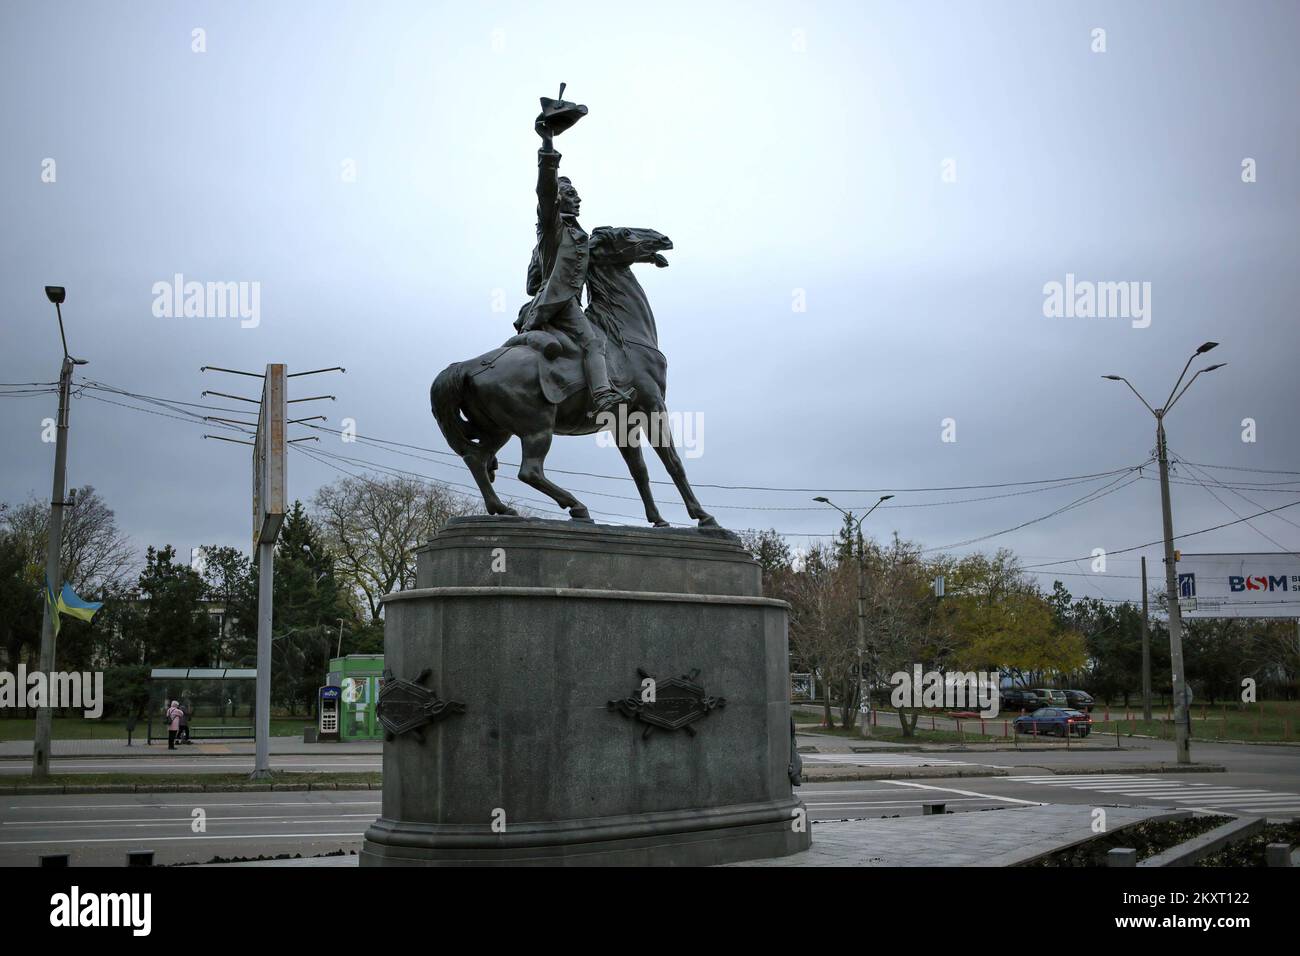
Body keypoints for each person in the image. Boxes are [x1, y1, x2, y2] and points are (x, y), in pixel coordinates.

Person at [517, 98, 622, 415]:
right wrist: (548, 144)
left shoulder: (576, 236)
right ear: (558, 201)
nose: (577, 198)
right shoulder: (553, 229)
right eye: (570, 194)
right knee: (593, 343)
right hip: (561, 305)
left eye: (577, 194)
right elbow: (545, 190)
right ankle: (602, 395)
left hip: (561, 302)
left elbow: (530, 283)